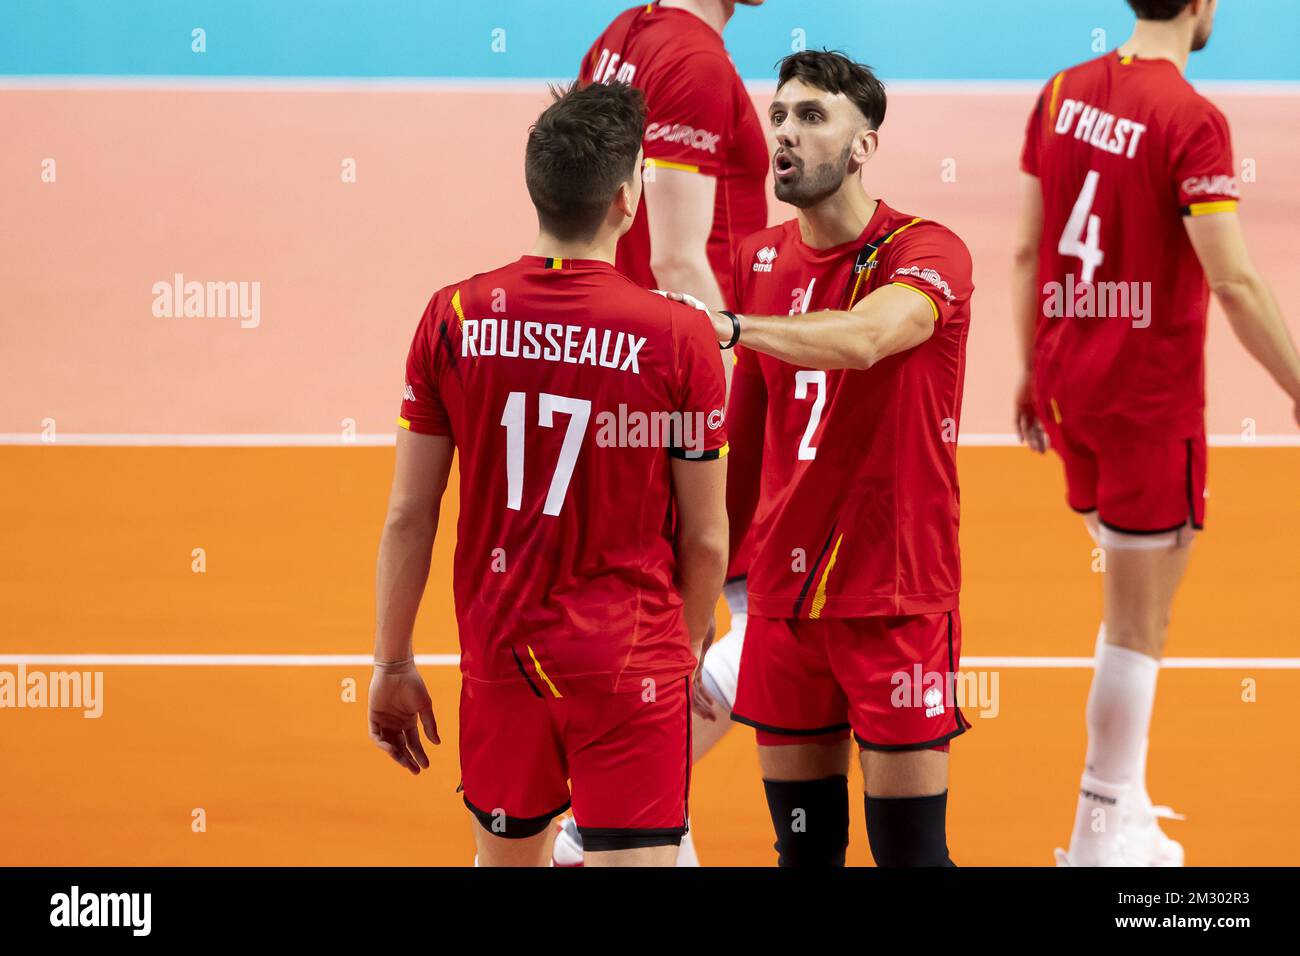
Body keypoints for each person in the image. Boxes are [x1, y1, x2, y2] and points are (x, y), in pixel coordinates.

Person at [367, 81, 730, 867]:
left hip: (503, 661)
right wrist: (685, 649)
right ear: (628, 198)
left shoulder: (454, 316)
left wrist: (393, 661)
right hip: (630, 664)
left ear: (536, 188)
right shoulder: (680, 336)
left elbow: (409, 515)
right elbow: (705, 537)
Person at [1012, 0, 1300, 866]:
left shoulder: (1062, 90)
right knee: (1140, 626)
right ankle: (1098, 834)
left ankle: (1123, 801)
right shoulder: (1192, 120)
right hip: (1146, 402)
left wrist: (1029, 367)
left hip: (1071, 385)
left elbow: (1029, 254)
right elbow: (1237, 283)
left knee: (1127, 607)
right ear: (1203, 5)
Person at [690, 50, 975, 866]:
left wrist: (733, 327)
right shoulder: (759, 258)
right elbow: (742, 445)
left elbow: (870, 337)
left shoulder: (927, 251)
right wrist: (703, 586)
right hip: (785, 606)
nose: (786, 132)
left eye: (813, 117)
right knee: (804, 852)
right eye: (778, 115)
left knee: (911, 857)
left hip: (893, 598)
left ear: (863, 147)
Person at [555, 0, 768, 866]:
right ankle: (604, 823)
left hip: (625, 371)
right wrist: (736, 393)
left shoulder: (621, 37)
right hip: (695, 379)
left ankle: (654, 831)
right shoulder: (693, 59)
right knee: (781, 623)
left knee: (662, 614)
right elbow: (682, 260)